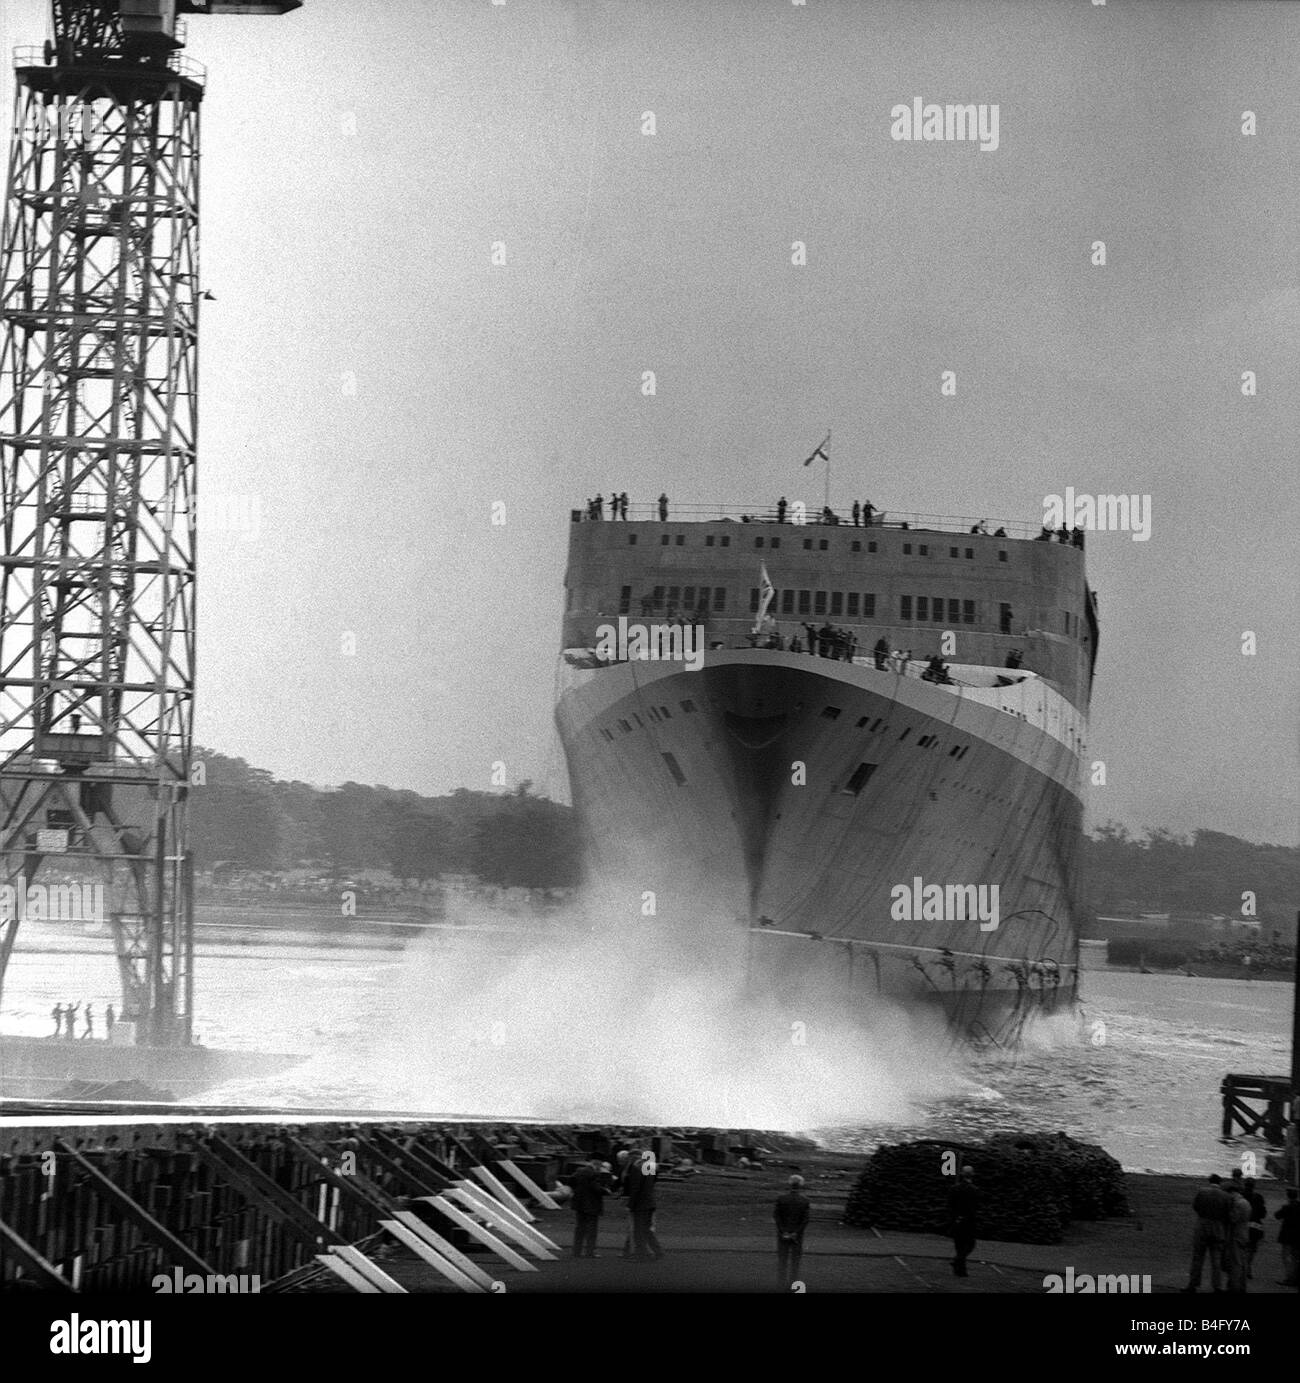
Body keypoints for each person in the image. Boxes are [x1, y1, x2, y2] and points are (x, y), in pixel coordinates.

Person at [1182, 1173, 1233, 1292]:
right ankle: (1217, 1286)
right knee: (1216, 1259)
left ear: (1209, 1181)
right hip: (1218, 1228)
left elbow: (1196, 1207)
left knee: (1198, 1257)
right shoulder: (1226, 1196)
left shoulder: (1202, 1192)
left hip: (1202, 1226)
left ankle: (1193, 1284)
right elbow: (1228, 1213)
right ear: (1220, 1182)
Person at [562, 1159, 610, 1258]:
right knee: (591, 1230)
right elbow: (596, 1188)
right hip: (592, 1204)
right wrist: (606, 1191)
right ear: (597, 1166)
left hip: (579, 1203)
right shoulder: (594, 1174)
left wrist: (577, 1191)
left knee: (580, 1228)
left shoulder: (579, 1171)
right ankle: (589, 1252)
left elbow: (570, 1181)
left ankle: (576, 1251)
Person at [623, 1147, 664, 1260]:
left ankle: (641, 1254)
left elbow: (636, 1188)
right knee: (646, 1229)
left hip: (640, 1204)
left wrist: (630, 1205)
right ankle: (657, 1251)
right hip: (649, 1202)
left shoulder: (636, 1168)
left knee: (638, 1230)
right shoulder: (649, 1168)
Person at [773, 1174, 811, 1288]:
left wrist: (783, 1231)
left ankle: (781, 1283)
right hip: (797, 1235)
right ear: (801, 1186)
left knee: (782, 1260)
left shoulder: (781, 1199)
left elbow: (776, 1216)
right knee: (795, 1261)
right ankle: (794, 1284)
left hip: (783, 1233)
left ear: (789, 1184)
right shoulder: (804, 1201)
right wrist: (796, 1232)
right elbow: (805, 1220)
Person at [948, 1165, 978, 1277]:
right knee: (970, 1244)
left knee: (959, 1245)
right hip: (968, 1221)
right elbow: (973, 1208)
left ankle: (960, 1269)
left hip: (956, 1220)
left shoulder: (954, 1188)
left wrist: (955, 1217)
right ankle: (958, 1262)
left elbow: (950, 1205)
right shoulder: (974, 1190)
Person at [1224, 1184, 1251, 1292]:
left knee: (1235, 1263)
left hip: (1236, 1235)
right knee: (1243, 1262)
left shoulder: (1237, 1204)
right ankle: (1242, 1286)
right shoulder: (1246, 1202)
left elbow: (1233, 1219)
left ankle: (1234, 1287)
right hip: (1244, 1233)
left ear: (1232, 1193)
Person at [1275, 1187, 1300, 1286]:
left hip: (1287, 1236)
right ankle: (1295, 1277)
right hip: (1298, 1235)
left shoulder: (1287, 1207)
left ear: (1288, 1196)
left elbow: (1277, 1216)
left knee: (1287, 1257)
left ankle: (1290, 1278)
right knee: (1295, 1258)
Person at [1243, 1178, 1266, 1278]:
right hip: (1255, 1226)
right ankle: (1248, 1267)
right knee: (1252, 1249)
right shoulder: (1258, 1197)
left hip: (1243, 1224)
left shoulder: (1241, 1196)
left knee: (1241, 1248)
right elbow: (1263, 1214)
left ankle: (1242, 1267)